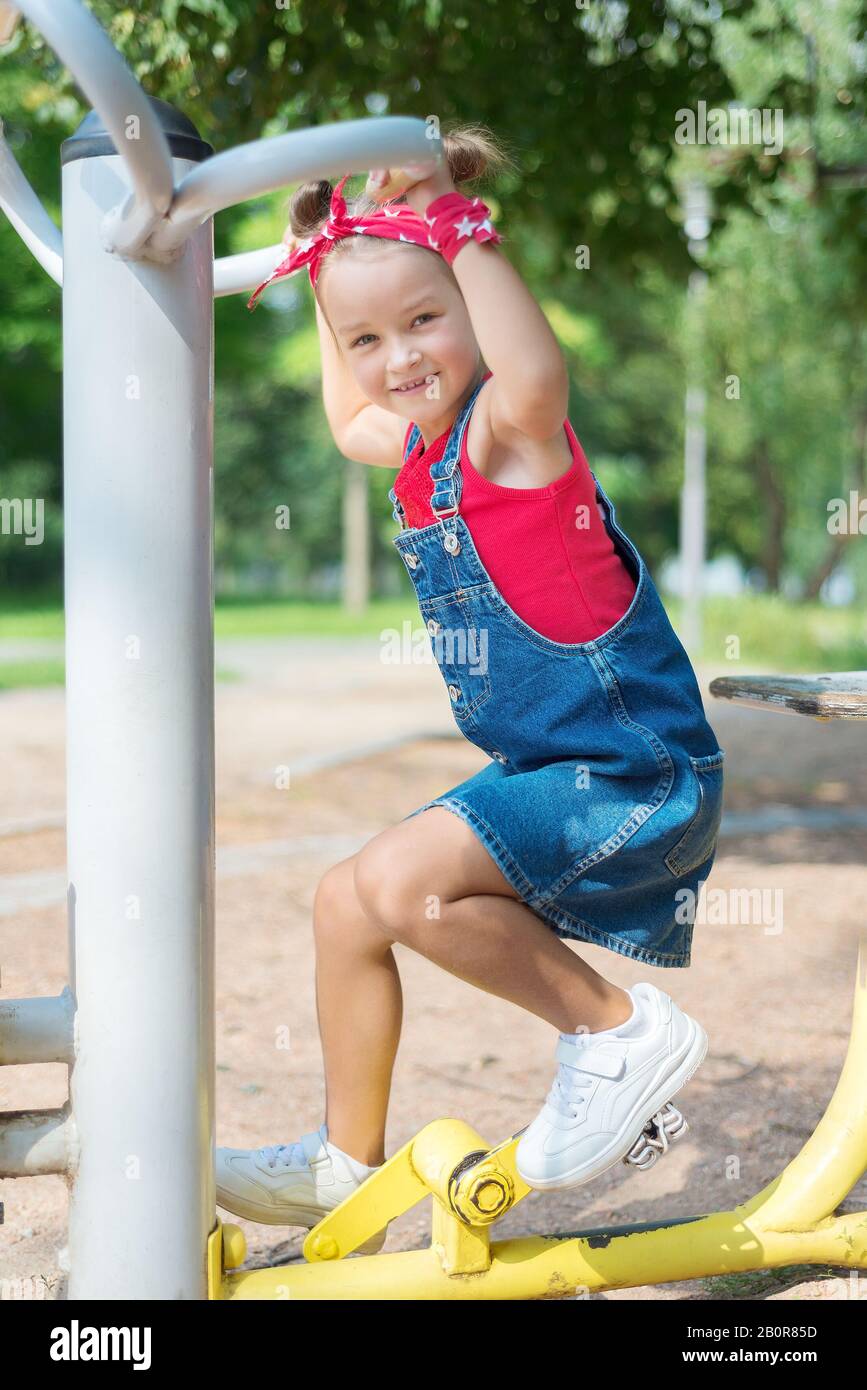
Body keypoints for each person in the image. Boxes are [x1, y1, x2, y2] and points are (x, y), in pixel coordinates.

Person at [216, 124, 726, 1254]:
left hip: (634, 776)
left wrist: (458, 222)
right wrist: (317, 276)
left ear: (469, 307)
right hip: (555, 774)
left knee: (400, 877)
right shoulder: (415, 450)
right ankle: (343, 1160)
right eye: (368, 337)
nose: (397, 356)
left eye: (424, 320)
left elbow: (536, 369)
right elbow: (350, 411)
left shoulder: (511, 436)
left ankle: (616, 1030)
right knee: (346, 900)